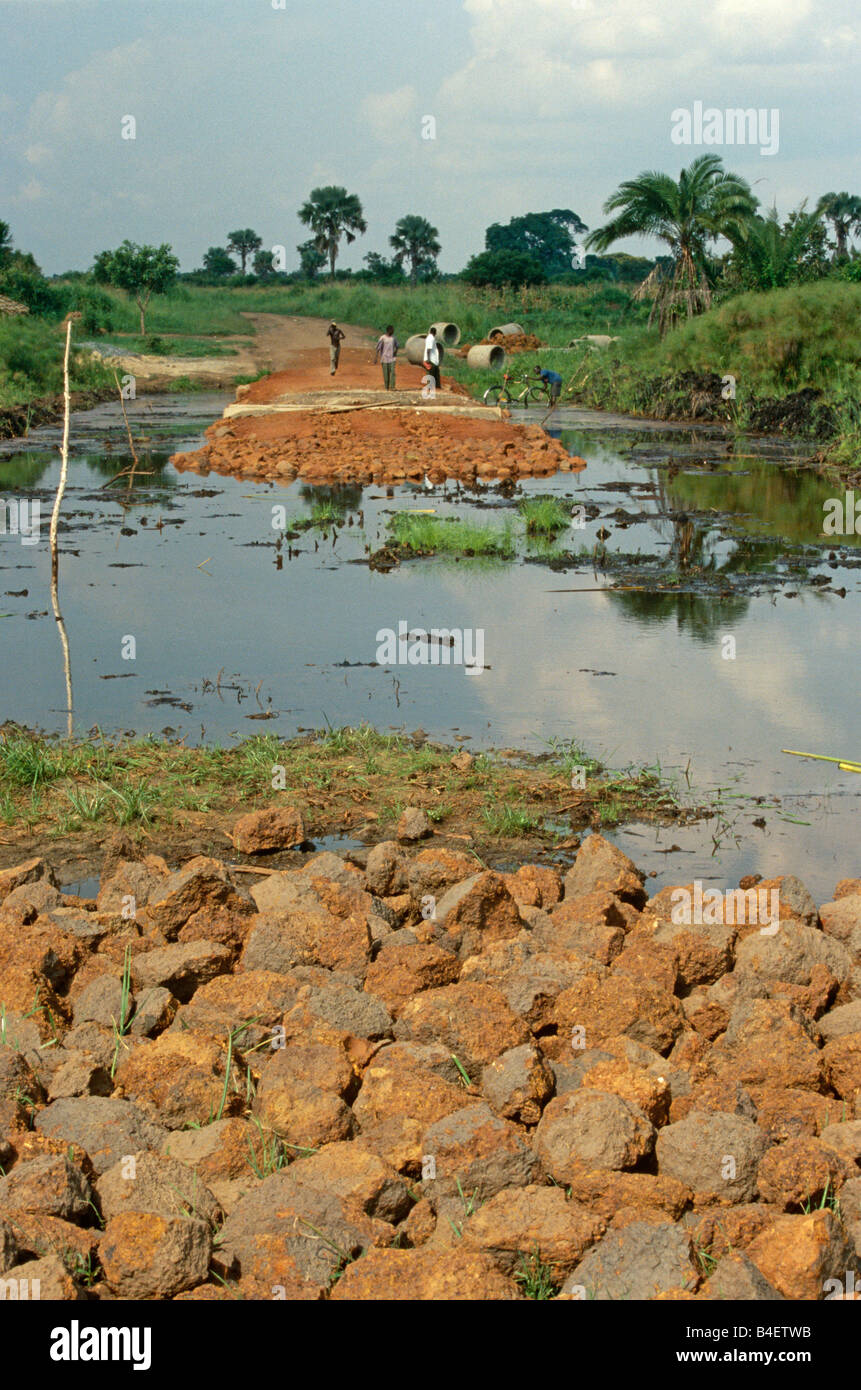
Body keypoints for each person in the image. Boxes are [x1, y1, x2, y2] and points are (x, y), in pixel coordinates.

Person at [374, 325, 399, 390]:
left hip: (392, 358)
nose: (393, 332)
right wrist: (376, 358)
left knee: (392, 372)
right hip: (384, 358)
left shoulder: (394, 338)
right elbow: (378, 348)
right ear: (389, 331)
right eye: (392, 330)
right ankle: (386, 387)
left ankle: (392, 386)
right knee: (386, 373)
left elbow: (397, 346)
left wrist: (395, 352)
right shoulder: (382, 338)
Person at [423, 326, 441, 391]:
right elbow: (428, 349)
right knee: (431, 373)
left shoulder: (430, 338)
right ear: (435, 333)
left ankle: (437, 387)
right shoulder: (431, 339)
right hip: (431, 359)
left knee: (436, 373)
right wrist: (428, 359)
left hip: (433, 359)